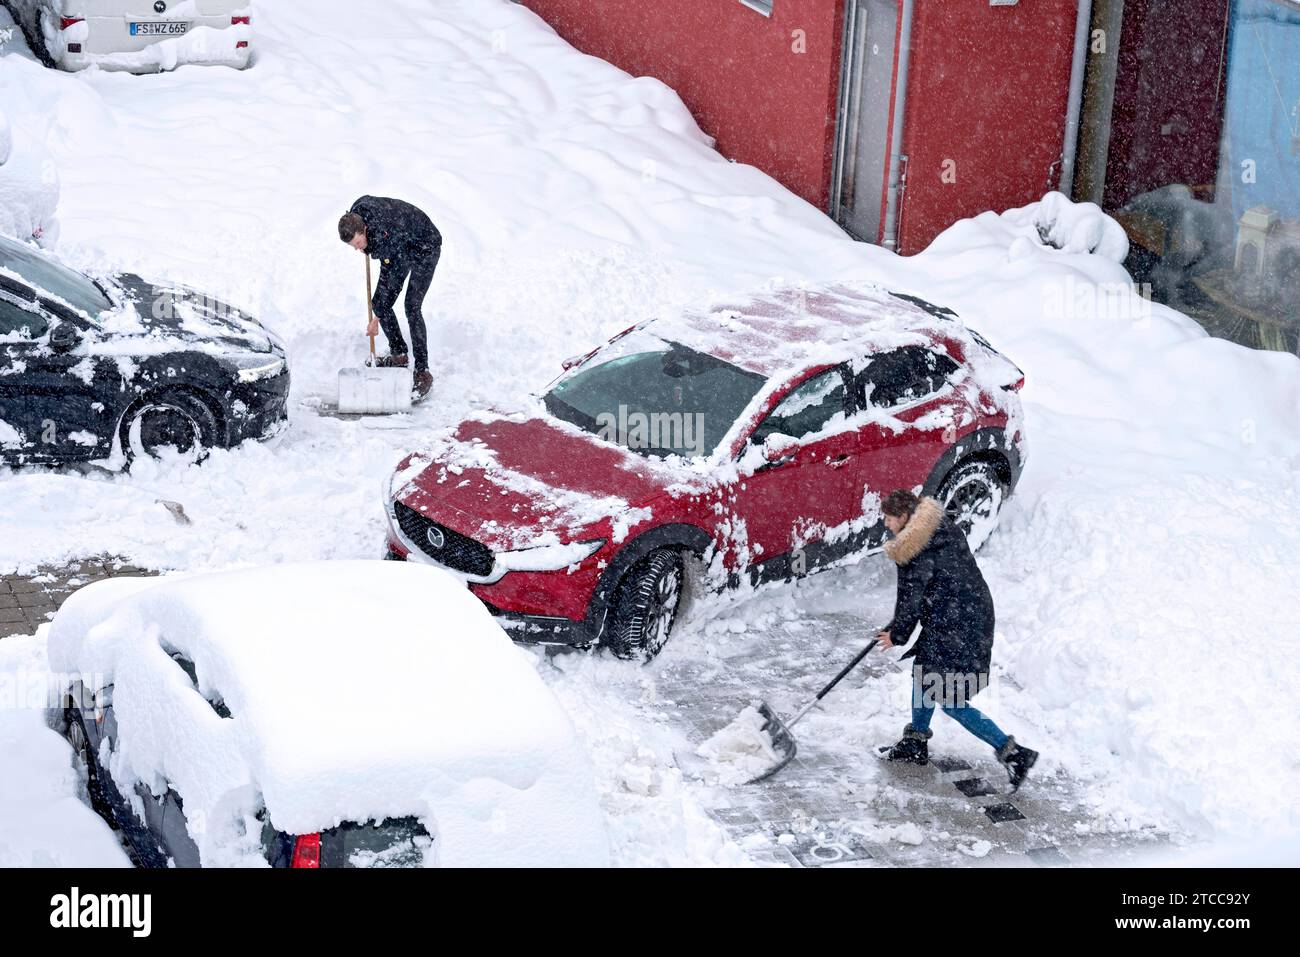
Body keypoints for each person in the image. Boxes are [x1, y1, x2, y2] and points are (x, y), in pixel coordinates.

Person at [875, 489, 1039, 790]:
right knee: (924, 674)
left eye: (888, 518)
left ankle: (1014, 753)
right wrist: (900, 624)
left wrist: (897, 634)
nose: (886, 524)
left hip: (957, 626)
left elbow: (912, 598)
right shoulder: (938, 528)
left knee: (949, 699)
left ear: (902, 517)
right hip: (966, 614)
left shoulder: (913, 550)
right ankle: (915, 743)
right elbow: (929, 589)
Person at [338, 196, 441, 399]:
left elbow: (392, 281)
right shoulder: (357, 214)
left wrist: (376, 319)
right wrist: (379, 310)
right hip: (403, 240)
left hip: (425, 245)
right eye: (353, 246)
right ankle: (399, 355)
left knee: (412, 306)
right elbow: (365, 199)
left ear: (364, 229)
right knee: (379, 303)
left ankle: (423, 371)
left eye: (358, 243)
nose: (358, 249)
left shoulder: (385, 237)